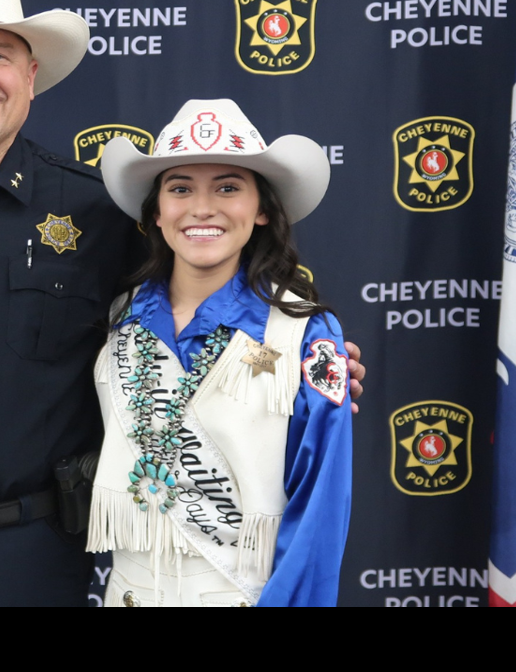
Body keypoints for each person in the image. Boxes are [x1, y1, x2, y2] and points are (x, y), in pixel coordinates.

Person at [0, 1, 363, 606]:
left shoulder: (98, 214)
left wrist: (304, 362)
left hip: (34, 558)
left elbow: (191, 309)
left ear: (31, 76)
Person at [87, 99, 351, 607]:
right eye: (180, 188)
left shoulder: (307, 333)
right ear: (157, 213)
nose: (202, 208)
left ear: (262, 210)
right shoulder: (119, 317)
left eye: (228, 187)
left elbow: (320, 506)